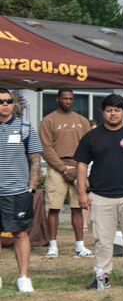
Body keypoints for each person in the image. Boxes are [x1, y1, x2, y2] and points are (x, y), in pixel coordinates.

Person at [73, 94, 123, 289]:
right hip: (101, 195)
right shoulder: (91, 137)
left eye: (117, 110)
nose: (113, 114)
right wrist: (82, 192)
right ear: (103, 112)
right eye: (109, 110)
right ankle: (102, 275)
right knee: (102, 239)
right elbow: (81, 164)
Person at [38, 88, 93, 258]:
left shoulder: (82, 121)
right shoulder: (48, 120)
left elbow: (89, 145)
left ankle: (80, 246)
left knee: (78, 207)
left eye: (71, 99)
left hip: (78, 167)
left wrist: (77, 169)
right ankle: (53, 246)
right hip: (56, 168)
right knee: (53, 208)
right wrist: (62, 168)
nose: (68, 101)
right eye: (65, 98)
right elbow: (45, 148)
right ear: (57, 99)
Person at [0, 88, 42, 292]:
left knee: (20, 234)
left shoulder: (24, 127)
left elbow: (35, 158)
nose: (5, 104)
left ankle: (23, 277)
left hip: (17, 191)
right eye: (1, 101)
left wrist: (31, 189)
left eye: (8, 101)